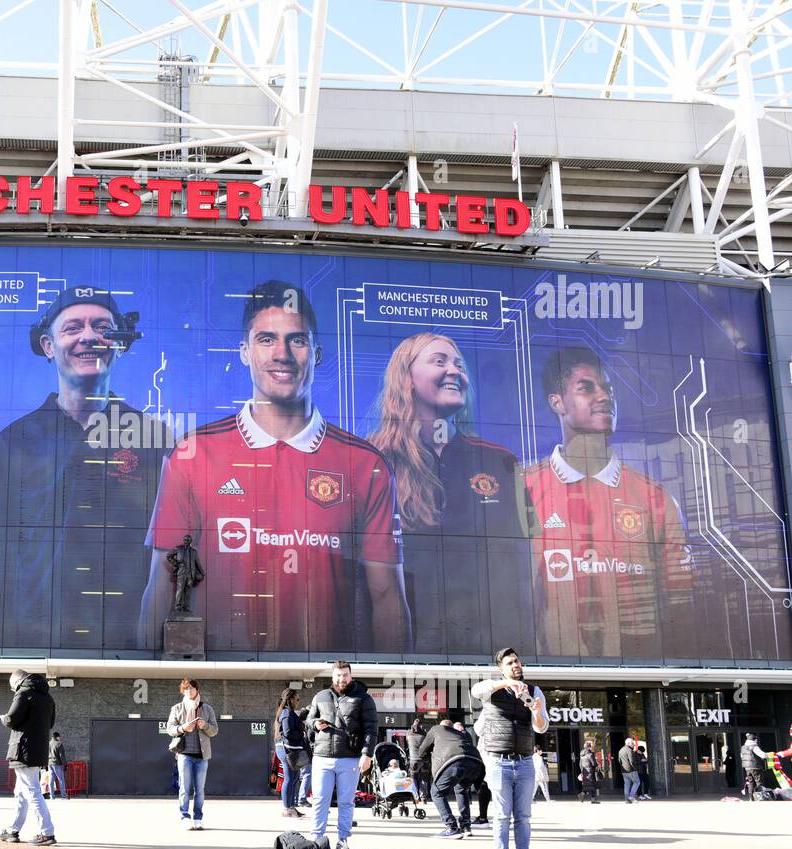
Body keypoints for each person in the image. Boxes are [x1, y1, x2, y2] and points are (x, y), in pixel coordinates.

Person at [142, 280, 409, 655]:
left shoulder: (366, 464)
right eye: (266, 339)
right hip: (215, 676)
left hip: (329, 683)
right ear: (245, 352)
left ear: (315, 353)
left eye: (296, 340)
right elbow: (162, 584)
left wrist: (388, 689)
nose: (281, 353)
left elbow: (386, 595)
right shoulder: (193, 454)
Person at [0, 284, 166, 652]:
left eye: (102, 327)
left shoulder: (154, 439)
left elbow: (168, 556)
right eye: (73, 327)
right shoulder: (14, 441)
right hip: (34, 642)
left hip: (127, 643)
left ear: (119, 342)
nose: (89, 337)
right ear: (47, 345)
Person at [368, 333, 537, 656]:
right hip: (408, 652)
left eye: (459, 364)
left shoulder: (500, 461)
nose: (454, 371)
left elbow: (524, 572)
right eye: (439, 361)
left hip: (492, 653)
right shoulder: (375, 460)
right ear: (407, 378)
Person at [526, 346, 693, 659]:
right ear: (557, 402)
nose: (604, 397)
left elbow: (681, 606)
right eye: (587, 388)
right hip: (550, 682)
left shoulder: (654, 498)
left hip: (643, 684)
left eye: (608, 389)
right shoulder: (524, 488)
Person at [470, 648, 549, 849]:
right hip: (498, 762)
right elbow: (476, 690)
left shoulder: (535, 691)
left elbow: (541, 728)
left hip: (525, 762)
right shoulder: (491, 689)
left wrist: (536, 711)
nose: (516, 665)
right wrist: (506, 684)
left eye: (517, 661)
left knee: (523, 818)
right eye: (510, 662)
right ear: (501, 669)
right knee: (502, 817)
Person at [305, 661, 376, 849]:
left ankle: (343, 840)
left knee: (346, 801)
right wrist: (314, 724)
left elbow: (371, 728)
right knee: (320, 799)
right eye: (338, 675)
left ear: (350, 676)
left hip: (350, 758)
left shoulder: (363, 698)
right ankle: (317, 839)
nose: (341, 679)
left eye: (345, 675)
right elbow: (309, 719)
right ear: (332, 676)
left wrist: (367, 754)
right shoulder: (321, 696)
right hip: (322, 756)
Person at [0, 669, 57, 846]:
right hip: (38, 750)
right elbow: (51, 723)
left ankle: (47, 832)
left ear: (16, 682)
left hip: (22, 749)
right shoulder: (48, 697)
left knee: (31, 791)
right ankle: (13, 830)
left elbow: (12, 719)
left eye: (12, 688)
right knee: (21, 792)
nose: (13, 691)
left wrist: (3, 718)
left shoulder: (23, 693)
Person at [417, 717, 485, 839]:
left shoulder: (436, 729)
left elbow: (422, 750)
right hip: (475, 763)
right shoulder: (459, 734)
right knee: (461, 790)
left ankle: (452, 827)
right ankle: (466, 826)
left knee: (436, 792)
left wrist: (425, 756)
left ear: (442, 725)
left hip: (454, 761)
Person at [166, 678, 219, 830]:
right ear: (183, 691)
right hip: (184, 754)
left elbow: (215, 730)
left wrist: (205, 725)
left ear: (197, 690)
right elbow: (169, 728)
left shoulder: (207, 709)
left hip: (202, 756)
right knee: (184, 787)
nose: (189, 691)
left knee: (200, 789)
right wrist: (183, 728)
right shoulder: (177, 708)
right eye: (186, 689)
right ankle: (184, 817)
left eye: (191, 688)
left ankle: (198, 817)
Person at [274, 688, 306, 818]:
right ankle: (287, 808)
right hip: (287, 749)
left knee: (294, 778)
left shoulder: (288, 712)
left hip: (289, 749)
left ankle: (291, 806)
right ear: (290, 699)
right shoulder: (286, 713)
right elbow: (287, 732)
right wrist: (301, 734)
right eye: (297, 699)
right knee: (289, 778)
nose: (298, 702)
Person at [407, 719, 430, 802]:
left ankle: (415, 797)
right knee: (424, 779)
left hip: (413, 760)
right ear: (421, 725)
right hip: (424, 760)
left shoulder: (408, 733)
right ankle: (423, 798)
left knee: (413, 778)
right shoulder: (424, 734)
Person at [295, 705, 313, 807]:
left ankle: (295, 799)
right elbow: (310, 738)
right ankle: (301, 799)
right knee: (307, 774)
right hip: (305, 752)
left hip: (297, 751)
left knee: (298, 776)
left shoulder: (297, 720)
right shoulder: (307, 723)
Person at [741, 734, 767, 799]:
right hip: (755, 767)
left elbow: (742, 757)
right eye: (756, 740)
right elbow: (762, 755)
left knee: (750, 782)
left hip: (747, 768)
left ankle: (751, 798)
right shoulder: (754, 746)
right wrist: (767, 755)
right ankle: (760, 797)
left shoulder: (743, 747)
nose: (757, 741)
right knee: (759, 782)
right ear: (754, 740)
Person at [617, 737, 640, 803]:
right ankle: (631, 796)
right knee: (637, 782)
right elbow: (632, 761)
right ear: (628, 743)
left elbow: (619, 761)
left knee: (627, 784)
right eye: (632, 743)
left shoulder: (620, 750)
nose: (633, 744)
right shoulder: (629, 750)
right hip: (631, 770)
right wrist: (635, 768)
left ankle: (626, 799)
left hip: (624, 771)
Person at [48, 732, 68, 799]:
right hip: (57, 764)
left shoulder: (49, 743)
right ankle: (63, 795)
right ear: (57, 737)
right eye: (59, 737)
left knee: (51, 780)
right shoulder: (59, 744)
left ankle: (52, 796)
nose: (60, 738)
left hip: (49, 763)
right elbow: (61, 756)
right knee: (61, 779)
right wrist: (65, 764)